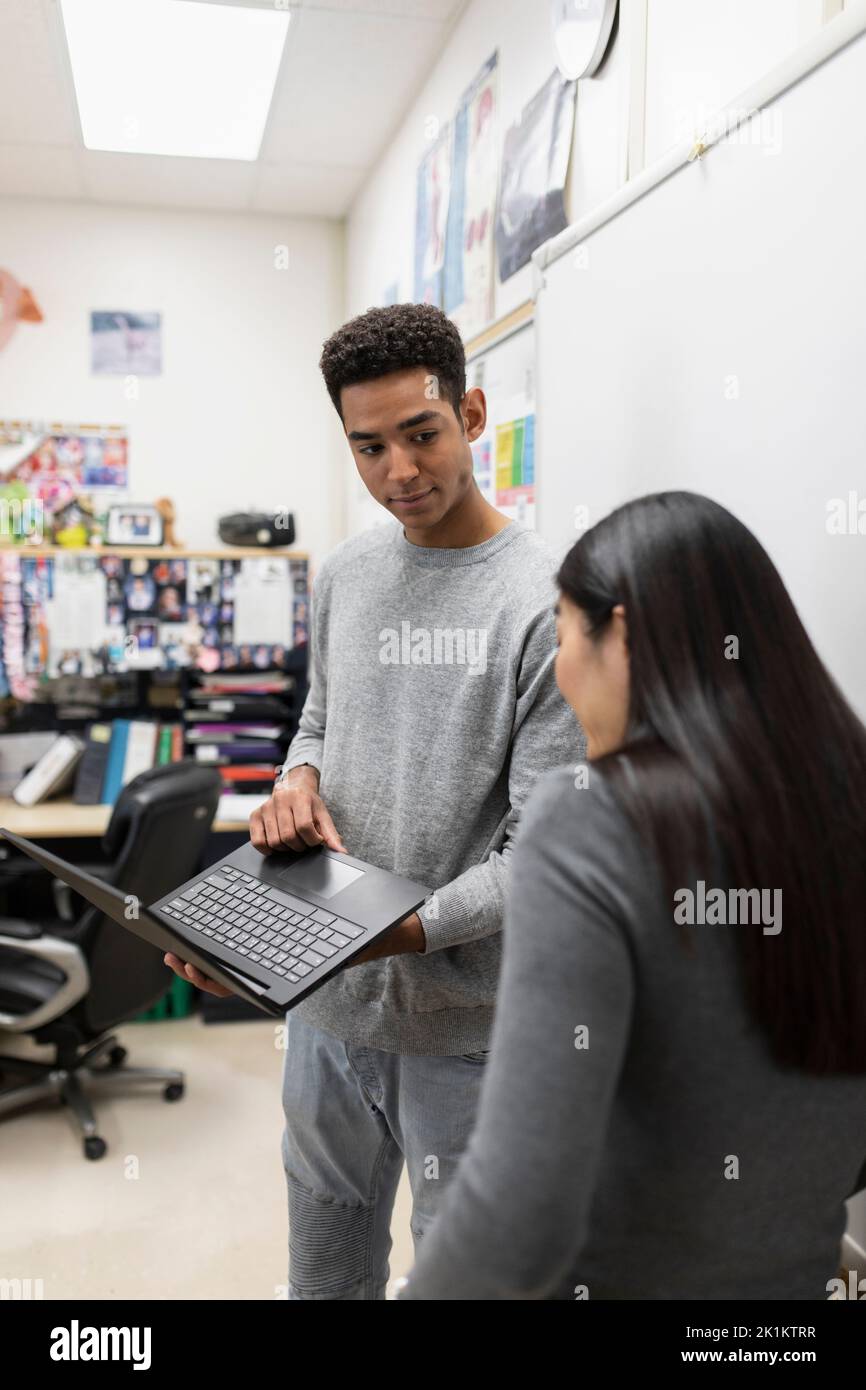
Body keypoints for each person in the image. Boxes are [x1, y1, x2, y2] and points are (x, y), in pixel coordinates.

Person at [164, 303, 583, 1299]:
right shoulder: (347, 572)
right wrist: (293, 783)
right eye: (368, 446)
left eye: (421, 433)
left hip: (467, 1029)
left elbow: (539, 859)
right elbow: (317, 721)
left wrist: (389, 932)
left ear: (471, 413)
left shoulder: (543, 605)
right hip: (329, 1014)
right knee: (327, 1264)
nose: (398, 469)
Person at [397, 490, 866, 1300]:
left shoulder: (591, 818)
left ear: (625, 635)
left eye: (565, 632)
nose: (562, 670)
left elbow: (519, 1210)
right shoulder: (844, 796)